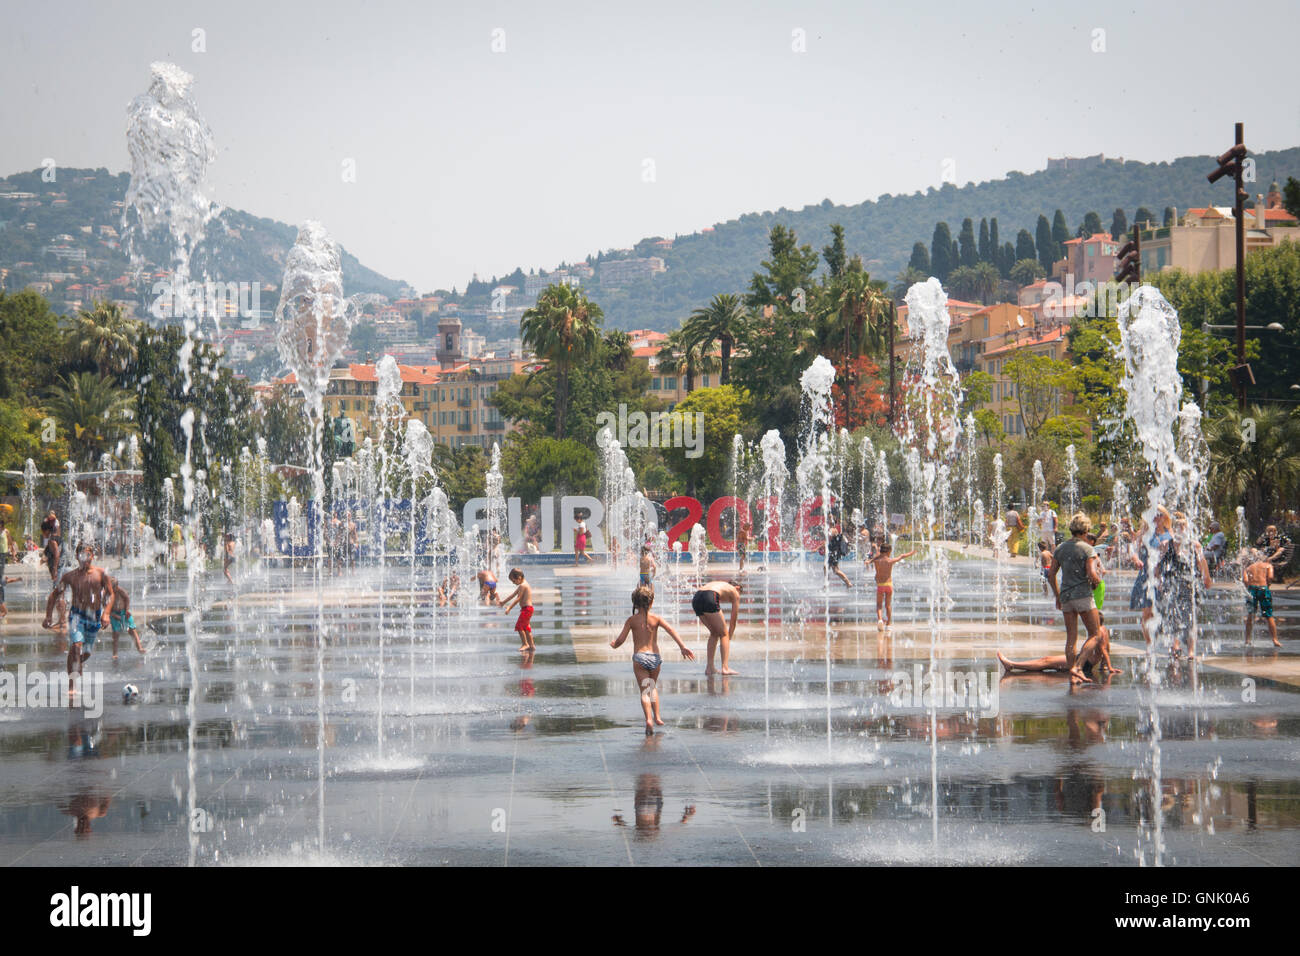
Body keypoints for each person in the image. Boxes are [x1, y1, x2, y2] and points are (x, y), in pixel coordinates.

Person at [611, 585, 695, 735]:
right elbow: (671, 630)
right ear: (651, 602)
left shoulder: (631, 620)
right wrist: (682, 646)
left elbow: (621, 640)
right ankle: (657, 716)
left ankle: (648, 719)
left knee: (645, 691)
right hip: (655, 659)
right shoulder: (656, 618)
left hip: (640, 658)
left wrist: (614, 645)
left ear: (635, 604)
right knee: (652, 687)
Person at [43, 542, 114, 696]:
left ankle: (75, 661)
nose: (85, 558)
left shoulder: (101, 574)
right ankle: (72, 685)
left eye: (88, 555)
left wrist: (106, 613)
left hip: (94, 617)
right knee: (76, 646)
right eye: (82, 555)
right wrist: (48, 616)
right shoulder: (70, 576)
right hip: (76, 615)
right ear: (77, 556)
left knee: (85, 653)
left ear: (92, 556)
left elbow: (110, 594)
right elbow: (54, 595)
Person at [1047, 513, 1104, 684]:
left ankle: (1073, 677)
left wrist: (1058, 596)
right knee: (1095, 634)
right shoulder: (1088, 549)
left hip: (1066, 597)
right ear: (1086, 529)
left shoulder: (1061, 548)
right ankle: (1077, 667)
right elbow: (1092, 575)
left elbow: (1051, 575)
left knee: (1071, 637)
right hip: (1083, 597)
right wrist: (1097, 580)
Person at [998, 612, 1119, 680]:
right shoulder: (1104, 630)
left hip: (1082, 662)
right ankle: (1013, 664)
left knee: (1046, 661)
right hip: (1084, 661)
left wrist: (1109, 667)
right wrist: (1104, 666)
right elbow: (1105, 649)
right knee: (1047, 662)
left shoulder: (1099, 631)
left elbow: (1103, 650)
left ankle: (1012, 664)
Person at [1154, 515, 1211, 657]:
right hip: (1171, 584)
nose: (1181, 530)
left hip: (1189, 585)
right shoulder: (1166, 544)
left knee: (1190, 617)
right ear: (1174, 529)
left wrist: (1206, 578)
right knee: (1173, 616)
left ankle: (1191, 650)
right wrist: (1158, 581)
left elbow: (1202, 563)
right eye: (1178, 527)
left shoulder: (1194, 545)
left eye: (1183, 527)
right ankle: (1176, 646)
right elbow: (1158, 565)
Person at [1128, 509, 1172, 644]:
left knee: (1166, 611)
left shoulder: (1170, 534)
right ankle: (1149, 644)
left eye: (1160, 514)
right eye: (1154, 515)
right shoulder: (1144, 534)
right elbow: (1133, 548)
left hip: (1166, 576)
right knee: (1147, 612)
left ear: (1165, 517)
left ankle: (1169, 641)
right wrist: (1136, 559)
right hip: (1146, 576)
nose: (1156, 517)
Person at [690, 579, 742, 676]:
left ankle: (710, 668)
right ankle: (725, 668)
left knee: (714, 633)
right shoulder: (735, 591)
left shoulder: (719, 585)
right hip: (710, 596)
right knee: (723, 633)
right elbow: (733, 620)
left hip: (696, 598)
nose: (729, 601)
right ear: (737, 588)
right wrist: (728, 637)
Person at [1243, 550, 1281, 648]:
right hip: (1263, 589)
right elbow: (1270, 577)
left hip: (1252, 589)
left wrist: (1250, 587)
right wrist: (1267, 584)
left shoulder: (1248, 568)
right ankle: (1275, 639)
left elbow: (1245, 580)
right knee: (1269, 615)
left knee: (1250, 614)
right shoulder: (1268, 565)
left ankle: (1247, 640)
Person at [872, 541, 915, 626]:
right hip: (889, 585)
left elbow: (873, 558)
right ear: (889, 551)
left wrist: (875, 549)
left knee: (879, 605)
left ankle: (880, 619)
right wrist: (911, 553)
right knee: (888, 605)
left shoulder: (876, 560)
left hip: (880, 586)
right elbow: (902, 556)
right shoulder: (890, 561)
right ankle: (888, 623)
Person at [108, 578, 146, 657]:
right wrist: (110, 613)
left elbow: (127, 599)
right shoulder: (107, 593)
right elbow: (104, 603)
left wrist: (126, 611)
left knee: (132, 630)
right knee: (116, 633)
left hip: (123, 612)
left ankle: (139, 648)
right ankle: (115, 653)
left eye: (113, 587)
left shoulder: (121, 591)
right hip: (113, 613)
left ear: (116, 586)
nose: (111, 589)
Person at [500, 568, 535, 652]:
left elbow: (518, 598)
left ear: (519, 578)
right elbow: (513, 595)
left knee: (519, 627)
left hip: (527, 609)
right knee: (526, 628)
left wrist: (509, 608)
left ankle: (525, 644)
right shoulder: (523, 585)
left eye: (514, 581)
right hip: (528, 609)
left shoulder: (523, 585)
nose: (513, 583)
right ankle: (531, 645)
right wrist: (503, 602)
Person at [825, 523, 852, 588]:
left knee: (833, 569)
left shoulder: (833, 530)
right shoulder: (834, 530)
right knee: (830, 568)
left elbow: (830, 535)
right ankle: (826, 584)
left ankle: (848, 583)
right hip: (834, 553)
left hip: (834, 553)